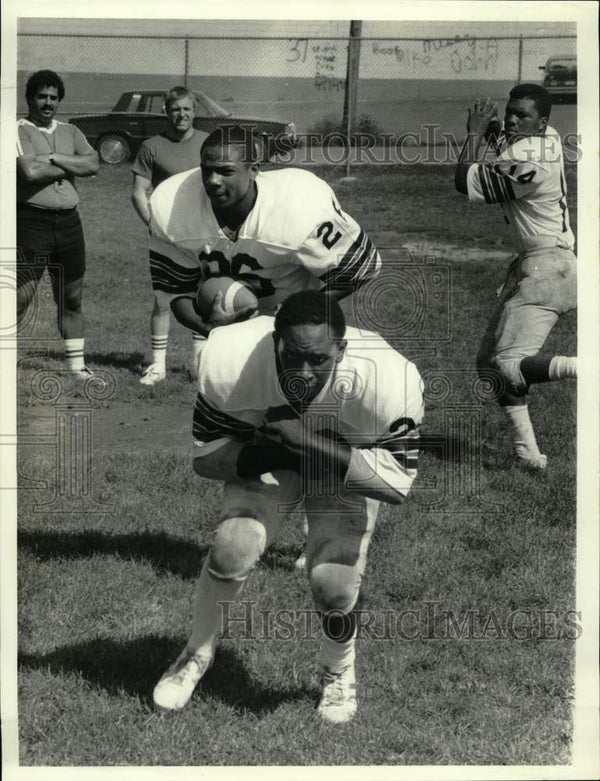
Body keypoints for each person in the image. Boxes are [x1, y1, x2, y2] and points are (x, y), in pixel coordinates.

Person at [152, 290, 424, 723]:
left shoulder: (389, 380)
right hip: (272, 454)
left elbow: (395, 485)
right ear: (274, 340)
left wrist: (305, 441)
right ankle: (195, 654)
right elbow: (207, 459)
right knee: (231, 548)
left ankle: (338, 671)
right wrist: (284, 452)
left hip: (342, 465)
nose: (303, 372)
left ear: (341, 349)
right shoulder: (231, 358)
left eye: (318, 359)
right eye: (292, 356)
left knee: (334, 584)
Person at [147, 124, 382, 356]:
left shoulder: (297, 206)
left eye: (225, 171)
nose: (212, 180)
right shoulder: (172, 205)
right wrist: (207, 327)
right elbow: (176, 292)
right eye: (206, 170)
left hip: (294, 336)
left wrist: (301, 309)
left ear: (253, 170)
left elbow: (361, 267)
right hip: (230, 342)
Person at [454, 83, 577, 469]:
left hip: (548, 269)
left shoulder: (530, 160)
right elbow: (511, 145)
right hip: (547, 265)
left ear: (540, 123)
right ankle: (528, 454)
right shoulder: (548, 137)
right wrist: (496, 129)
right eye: (510, 112)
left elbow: (464, 180)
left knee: (507, 365)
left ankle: (584, 367)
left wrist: (474, 133)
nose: (511, 120)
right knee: (488, 363)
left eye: (521, 115)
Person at [17, 70, 100, 377]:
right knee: (20, 297)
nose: (48, 103)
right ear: (30, 98)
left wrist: (51, 157)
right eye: (42, 96)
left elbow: (93, 164)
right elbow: (30, 172)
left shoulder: (71, 130)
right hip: (31, 221)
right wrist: (71, 164)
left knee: (72, 297)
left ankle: (77, 367)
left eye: (53, 97)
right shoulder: (18, 129)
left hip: (69, 223)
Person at [130, 86, 209, 386]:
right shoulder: (151, 146)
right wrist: (154, 225)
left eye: (187, 109)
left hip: (203, 233)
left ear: (194, 111)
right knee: (164, 299)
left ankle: (199, 363)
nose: (182, 114)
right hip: (167, 235)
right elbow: (138, 192)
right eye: (176, 109)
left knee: (203, 296)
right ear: (166, 111)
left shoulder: (208, 143)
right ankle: (158, 366)